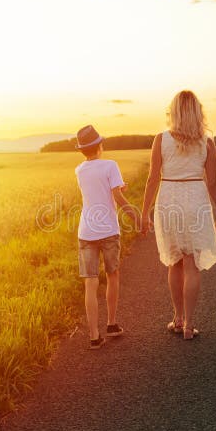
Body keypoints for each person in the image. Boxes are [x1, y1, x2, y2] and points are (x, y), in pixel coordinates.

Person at [141, 90, 216, 340]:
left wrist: (144, 212)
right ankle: (189, 324)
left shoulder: (161, 139)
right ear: (197, 112)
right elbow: (212, 182)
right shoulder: (206, 142)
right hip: (195, 199)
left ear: (174, 111)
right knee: (191, 263)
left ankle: (177, 318)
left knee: (174, 261)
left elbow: (152, 178)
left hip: (169, 199)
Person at [74, 125, 141, 350]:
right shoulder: (110, 165)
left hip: (86, 232)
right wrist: (136, 218)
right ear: (100, 146)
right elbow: (116, 197)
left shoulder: (79, 170)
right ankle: (111, 324)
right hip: (108, 231)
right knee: (112, 275)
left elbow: (96, 192)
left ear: (83, 150)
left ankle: (94, 336)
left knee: (90, 283)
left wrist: (117, 187)